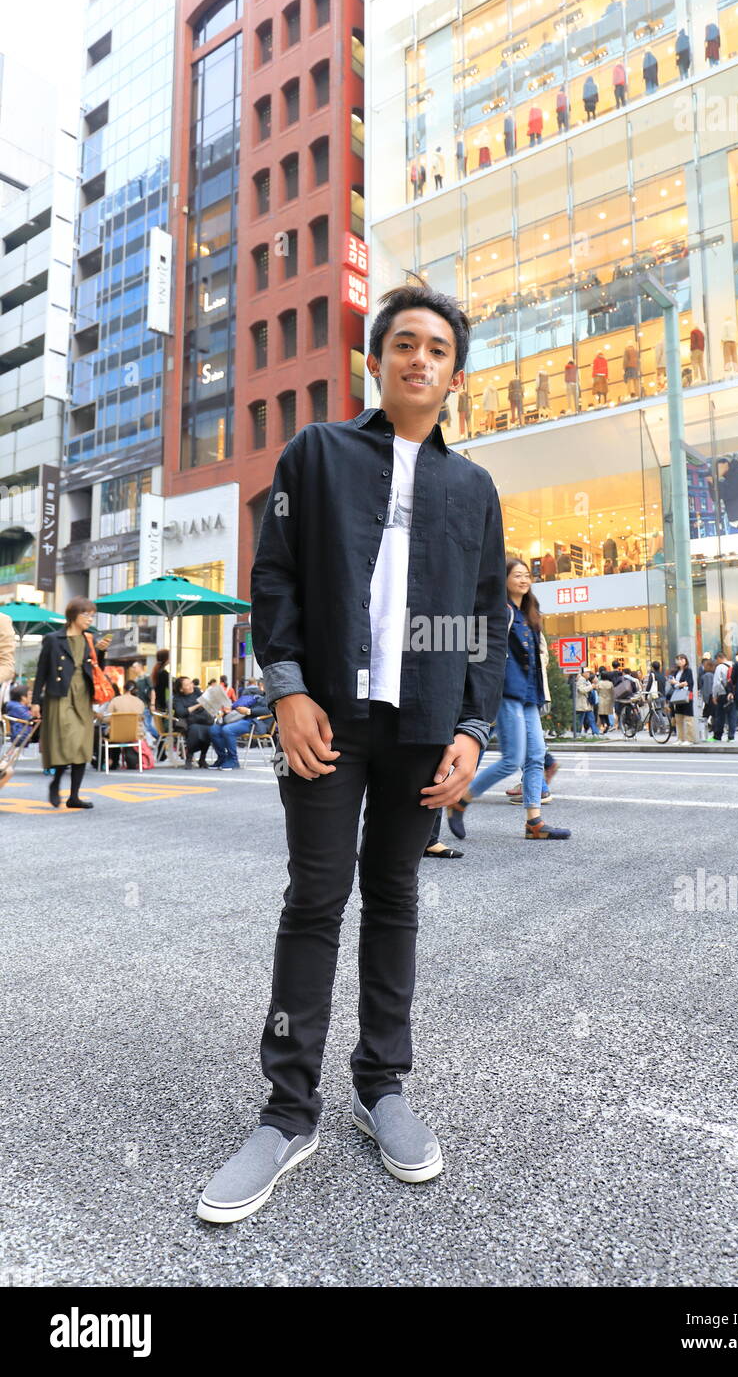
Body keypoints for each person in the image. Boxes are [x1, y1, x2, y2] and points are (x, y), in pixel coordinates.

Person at [197, 280, 508, 1222]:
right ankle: (289, 1111)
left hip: (421, 728)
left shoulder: (473, 487)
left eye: (438, 350)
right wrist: (286, 690)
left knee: (399, 897)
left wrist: (473, 728)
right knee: (315, 899)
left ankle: (384, 1086)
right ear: (375, 360)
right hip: (328, 716)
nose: (420, 359)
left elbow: (484, 619)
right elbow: (276, 578)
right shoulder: (317, 455)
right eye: (403, 343)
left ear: (455, 374)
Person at [447, 558, 569, 842]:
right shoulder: (501, 612)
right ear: (503, 580)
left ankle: (534, 822)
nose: (524, 580)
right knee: (513, 758)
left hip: (528, 694)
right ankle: (460, 799)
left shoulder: (529, 612)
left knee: (536, 756)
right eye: (517, 575)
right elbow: (482, 650)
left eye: (527, 575)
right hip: (507, 693)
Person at [30, 597, 111, 808]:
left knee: (82, 744)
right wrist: (35, 701)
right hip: (60, 695)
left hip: (83, 695)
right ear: (74, 615)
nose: (90, 619)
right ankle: (55, 783)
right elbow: (41, 671)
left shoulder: (89, 639)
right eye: (87, 615)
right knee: (65, 741)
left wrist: (101, 652)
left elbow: (96, 669)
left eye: (92, 615)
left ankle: (74, 796)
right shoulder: (53, 639)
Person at [209, 678, 272, 770]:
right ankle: (222, 757)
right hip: (243, 719)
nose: (262, 686)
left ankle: (233, 760)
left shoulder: (274, 698)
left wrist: (250, 711)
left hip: (257, 723)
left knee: (228, 729)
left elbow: (270, 710)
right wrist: (231, 709)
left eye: (263, 684)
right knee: (213, 729)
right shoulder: (259, 695)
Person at [103, 680, 148, 770]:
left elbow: (107, 719)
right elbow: (142, 719)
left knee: (105, 735)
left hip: (116, 734)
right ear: (136, 690)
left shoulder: (115, 700)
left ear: (124, 689)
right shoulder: (140, 702)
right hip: (135, 734)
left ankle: (111, 761)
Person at [173, 676, 213, 768]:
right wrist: (198, 705)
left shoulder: (197, 691)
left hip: (201, 720)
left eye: (191, 683)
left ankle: (202, 758)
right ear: (181, 689)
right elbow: (181, 712)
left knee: (209, 729)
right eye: (187, 685)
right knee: (194, 729)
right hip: (186, 722)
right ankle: (189, 756)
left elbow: (205, 704)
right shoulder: (178, 698)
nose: (191, 686)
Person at [709, 652, 737, 742]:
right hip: (733, 693)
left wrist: (714, 695)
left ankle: (717, 736)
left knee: (720, 715)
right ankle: (731, 736)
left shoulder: (720, 667)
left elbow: (716, 683)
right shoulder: (734, 665)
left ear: (719, 658)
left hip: (722, 694)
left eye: (716, 660)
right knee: (732, 715)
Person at [669, 653, 694, 744]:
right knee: (678, 718)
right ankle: (680, 738)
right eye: (678, 659)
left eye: (682, 659)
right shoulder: (676, 672)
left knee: (688, 718)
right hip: (678, 696)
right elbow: (672, 683)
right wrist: (677, 683)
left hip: (687, 696)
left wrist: (677, 683)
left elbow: (687, 683)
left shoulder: (688, 671)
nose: (680, 661)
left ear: (686, 661)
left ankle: (689, 739)